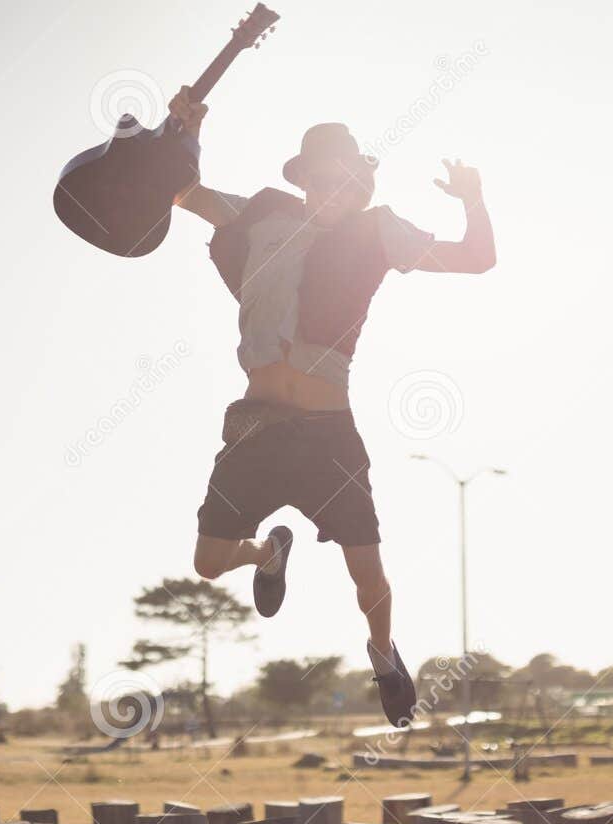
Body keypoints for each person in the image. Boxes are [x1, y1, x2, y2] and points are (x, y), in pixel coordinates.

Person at [170, 89, 496, 726]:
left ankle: (382, 653)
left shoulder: (378, 233)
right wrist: (186, 132)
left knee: (367, 576)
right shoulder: (259, 214)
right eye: (321, 183)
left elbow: (477, 259)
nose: (332, 195)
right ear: (304, 183)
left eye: (345, 185)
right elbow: (182, 193)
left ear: (360, 187)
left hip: (328, 435)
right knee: (208, 563)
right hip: (258, 429)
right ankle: (267, 553)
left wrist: (474, 199)